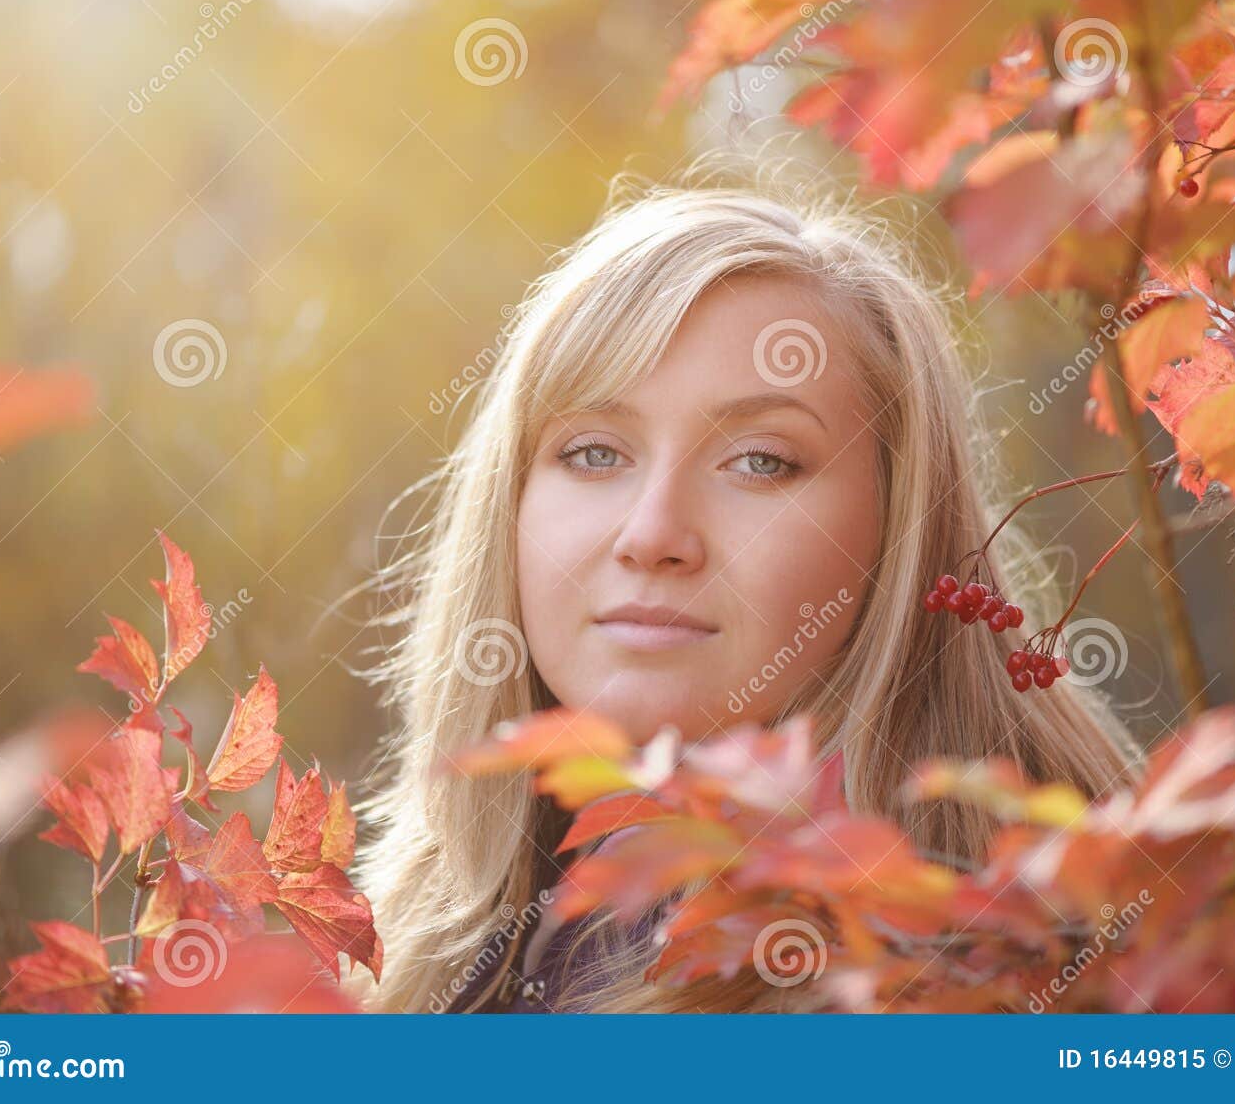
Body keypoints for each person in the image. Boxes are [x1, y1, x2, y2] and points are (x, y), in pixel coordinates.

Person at [346, 163, 1143, 1012]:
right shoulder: (403, 944)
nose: (652, 534)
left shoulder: (1021, 964)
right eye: (594, 453)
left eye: (760, 461)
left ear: (901, 523)